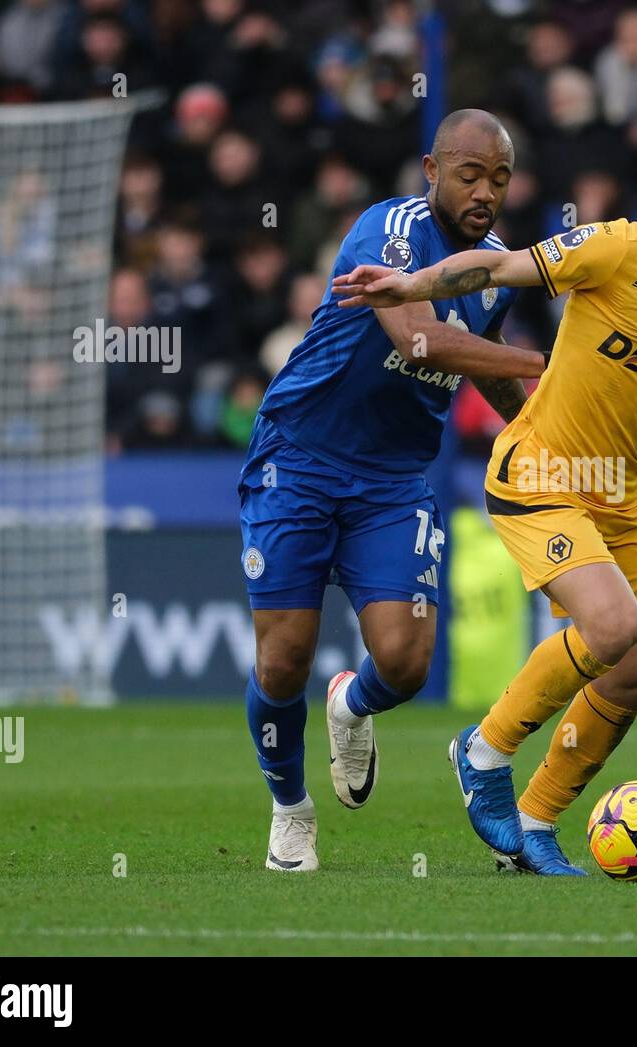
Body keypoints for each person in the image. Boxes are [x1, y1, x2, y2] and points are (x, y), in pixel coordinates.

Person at [333, 128, 637, 875]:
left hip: (621, 494)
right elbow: (499, 264)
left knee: (636, 669)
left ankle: (535, 821)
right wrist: (413, 287)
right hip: (541, 472)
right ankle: (482, 750)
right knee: (612, 625)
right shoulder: (618, 247)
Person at [238, 109, 545, 873]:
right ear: (432, 170)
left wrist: (547, 429)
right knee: (282, 662)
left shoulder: (497, 264)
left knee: (406, 662)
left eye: (499, 178)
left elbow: (486, 360)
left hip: (393, 480)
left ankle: (352, 703)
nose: (485, 191)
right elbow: (417, 337)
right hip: (298, 457)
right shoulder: (392, 229)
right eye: (470, 173)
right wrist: (549, 364)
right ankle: (291, 809)